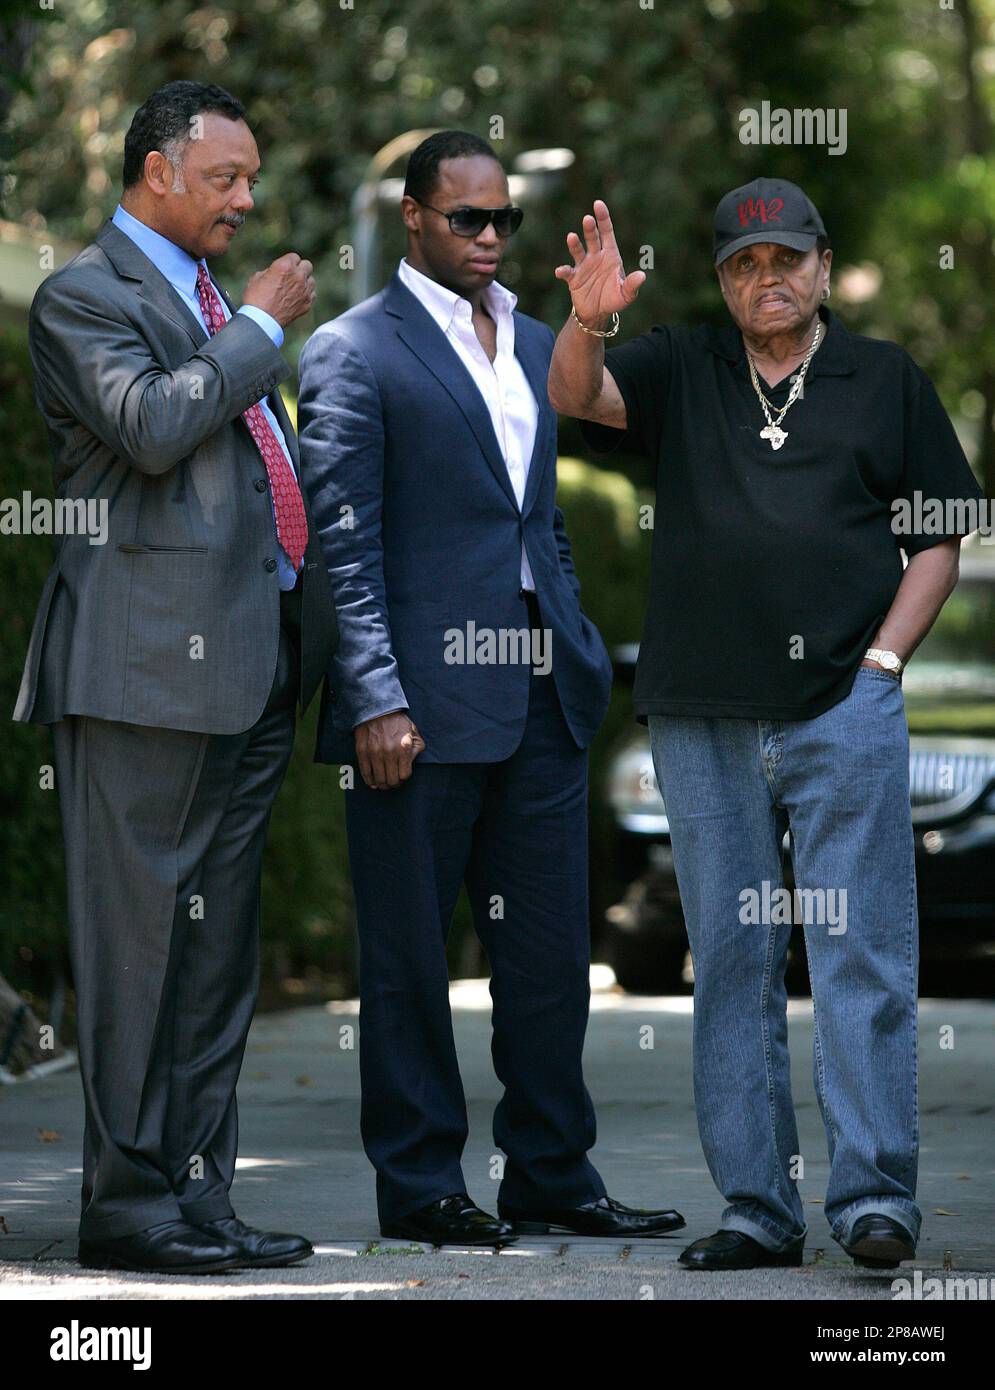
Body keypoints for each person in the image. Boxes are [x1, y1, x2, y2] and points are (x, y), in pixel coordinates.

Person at [547, 177, 985, 1271]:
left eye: (784, 258)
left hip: (843, 707)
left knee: (862, 954)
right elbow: (575, 398)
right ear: (722, 279)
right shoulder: (683, 366)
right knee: (732, 960)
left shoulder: (881, 378)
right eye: (744, 264)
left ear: (821, 264)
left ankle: (874, 1200)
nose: (767, 278)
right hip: (701, 718)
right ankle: (754, 1208)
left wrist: (883, 662)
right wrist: (588, 317)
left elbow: (936, 531)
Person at [297, 130, 684, 1247]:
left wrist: (569, 626)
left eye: (502, 219)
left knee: (551, 958)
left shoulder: (528, 342)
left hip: (538, 695)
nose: (487, 238)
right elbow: (343, 539)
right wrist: (371, 693)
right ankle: (421, 1185)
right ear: (412, 218)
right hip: (413, 709)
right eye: (465, 218)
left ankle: (552, 1172)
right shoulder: (352, 350)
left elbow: (538, 519)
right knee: (414, 961)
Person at [13, 80, 339, 1275]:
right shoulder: (80, 297)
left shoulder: (207, 298)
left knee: (212, 954)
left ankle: (203, 1198)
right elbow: (153, 427)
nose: (246, 199)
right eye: (224, 179)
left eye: (250, 178)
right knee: (137, 949)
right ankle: (127, 1206)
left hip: (251, 674)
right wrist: (256, 331)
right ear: (157, 171)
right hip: (141, 675)